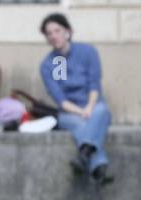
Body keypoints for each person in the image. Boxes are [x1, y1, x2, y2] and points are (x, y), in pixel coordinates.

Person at [39, 13, 113, 184]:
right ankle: (98, 165)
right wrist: (80, 111)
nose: (53, 36)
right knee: (81, 123)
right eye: (49, 33)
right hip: (70, 111)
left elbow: (94, 85)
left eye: (57, 30)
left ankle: (84, 154)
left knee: (101, 111)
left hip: (92, 106)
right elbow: (62, 98)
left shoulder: (87, 52)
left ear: (68, 31)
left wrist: (89, 108)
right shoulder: (54, 62)